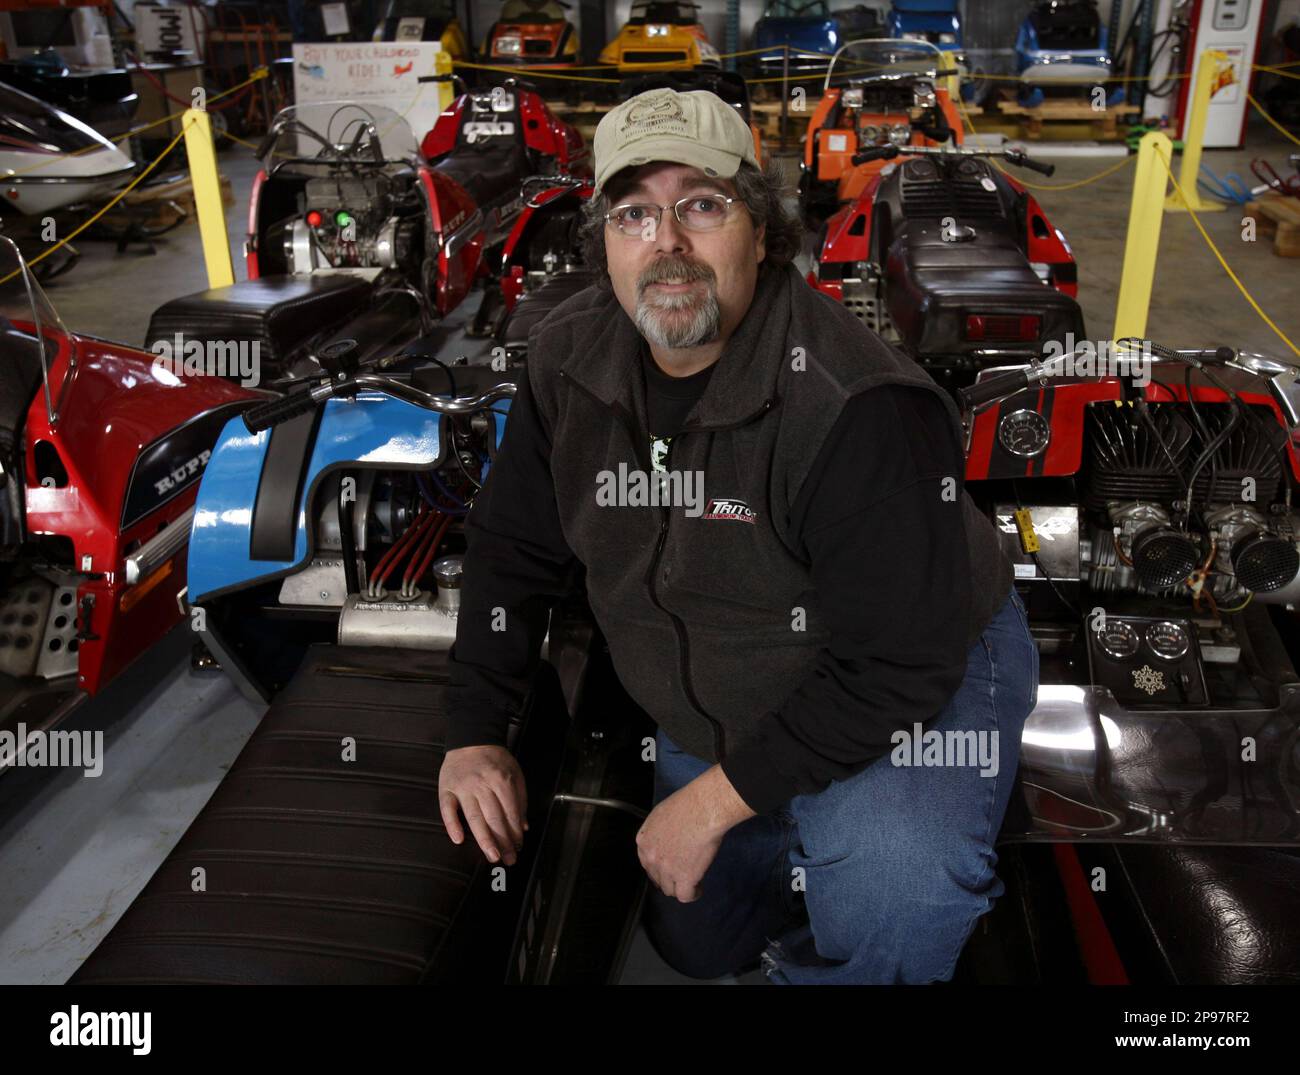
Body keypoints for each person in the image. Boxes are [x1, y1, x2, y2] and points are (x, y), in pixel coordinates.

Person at [438, 86, 1039, 984]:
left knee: (893, 886)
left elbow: (898, 661)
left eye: (701, 206)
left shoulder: (856, 402)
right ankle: (791, 874)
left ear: (762, 233)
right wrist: (476, 728)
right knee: (697, 939)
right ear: (605, 241)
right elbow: (510, 547)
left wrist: (716, 801)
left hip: (908, 671)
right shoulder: (566, 359)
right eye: (634, 213)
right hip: (720, 673)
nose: (666, 243)